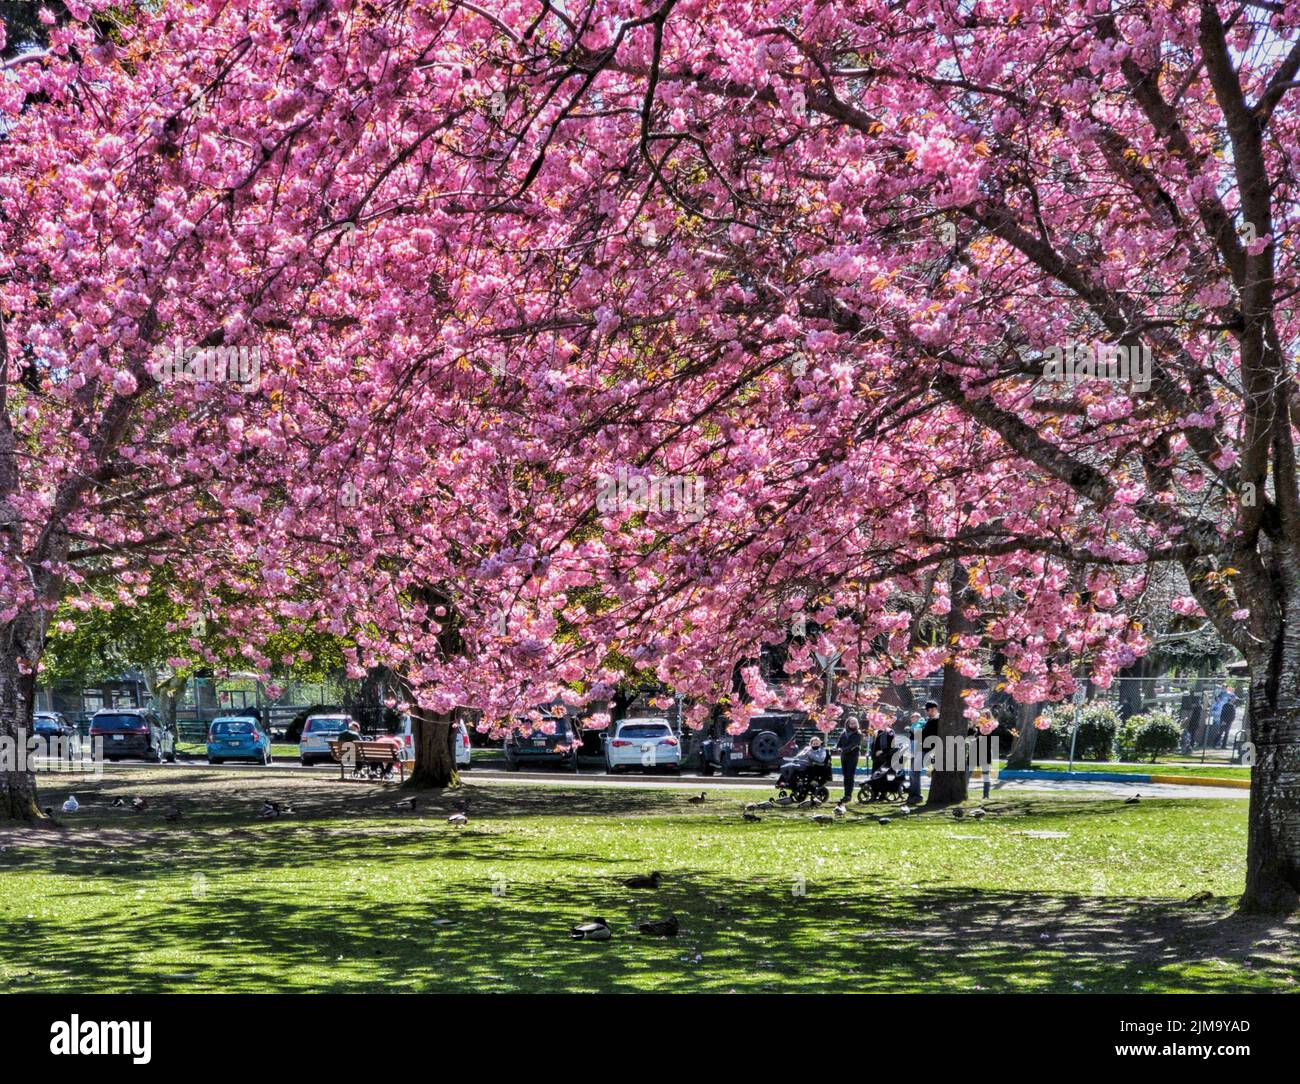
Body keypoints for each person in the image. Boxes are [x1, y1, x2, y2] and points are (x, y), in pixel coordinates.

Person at [835, 715, 863, 802]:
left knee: (850, 775)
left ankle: (848, 795)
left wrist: (843, 750)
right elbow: (839, 744)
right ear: (848, 724)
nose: (853, 725)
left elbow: (854, 745)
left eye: (855, 723)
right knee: (845, 775)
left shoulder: (858, 734)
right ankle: (845, 794)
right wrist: (837, 748)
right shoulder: (844, 733)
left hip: (853, 756)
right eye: (851, 723)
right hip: (844, 756)